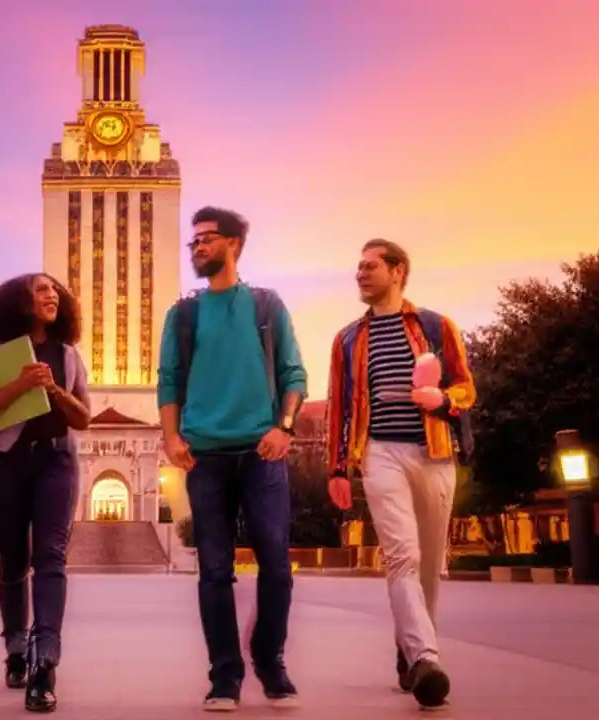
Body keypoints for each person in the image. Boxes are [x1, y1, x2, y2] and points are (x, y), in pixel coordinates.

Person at [157, 207, 308, 711]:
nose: (198, 246)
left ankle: (269, 657)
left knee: (277, 566)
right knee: (215, 570)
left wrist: (284, 427)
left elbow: (293, 374)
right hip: (205, 458)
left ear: (234, 244)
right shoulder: (183, 315)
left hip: (262, 453)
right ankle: (225, 675)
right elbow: (169, 380)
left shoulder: (266, 306)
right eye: (194, 241)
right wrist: (171, 437)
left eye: (207, 238)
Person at [324, 238, 476, 710]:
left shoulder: (435, 326)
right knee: (402, 556)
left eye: (370, 266)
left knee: (430, 563)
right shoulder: (348, 339)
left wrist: (444, 399)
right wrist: (337, 467)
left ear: (398, 271)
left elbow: (466, 386)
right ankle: (426, 658)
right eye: (358, 267)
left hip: (434, 453)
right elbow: (338, 407)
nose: (360, 274)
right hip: (379, 453)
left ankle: (408, 648)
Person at [0, 272, 91, 713]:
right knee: (14, 560)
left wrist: (53, 389)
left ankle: (45, 662)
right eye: (41, 290)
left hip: (56, 461)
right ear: (19, 303)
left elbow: (83, 417)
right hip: (8, 463)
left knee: (51, 556)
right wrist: (19, 384)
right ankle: (16, 647)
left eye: (54, 290)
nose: (51, 295)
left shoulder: (69, 356)